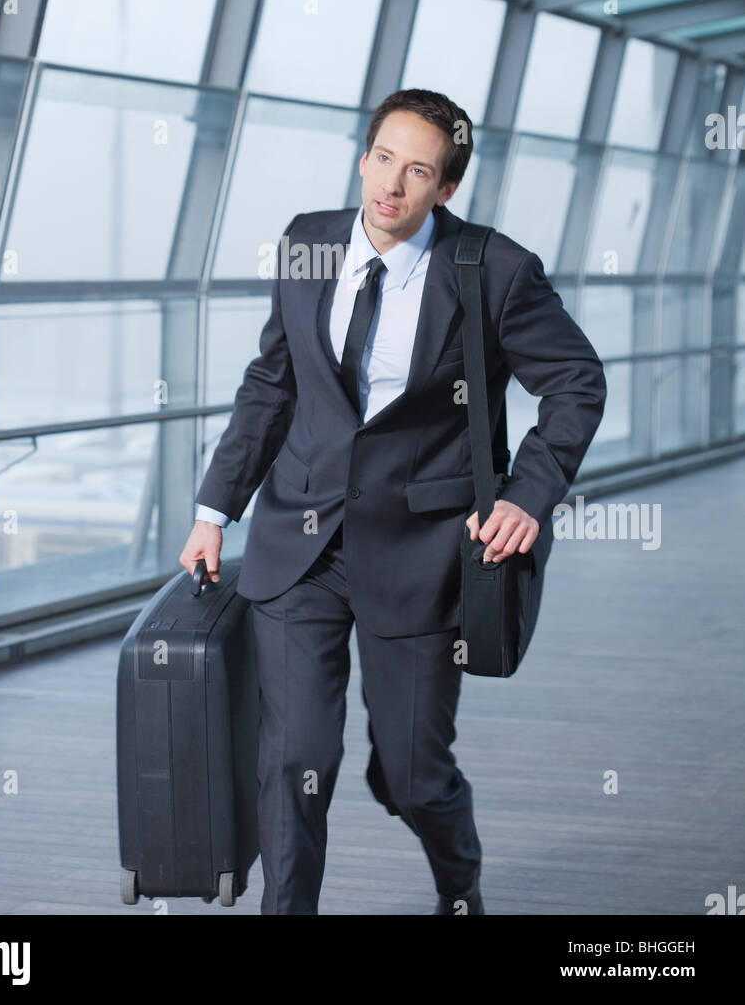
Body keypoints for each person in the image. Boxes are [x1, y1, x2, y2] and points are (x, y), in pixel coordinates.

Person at [179, 88, 606, 915]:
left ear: (446, 188)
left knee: (413, 775)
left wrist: (528, 495)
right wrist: (214, 510)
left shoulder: (494, 270)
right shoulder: (308, 242)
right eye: (383, 159)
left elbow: (576, 383)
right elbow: (273, 383)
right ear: (363, 155)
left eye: (419, 171)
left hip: (423, 554)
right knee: (295, 758)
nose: (392, 186)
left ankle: (460, 887)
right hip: (298, 544)